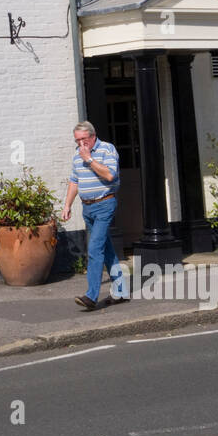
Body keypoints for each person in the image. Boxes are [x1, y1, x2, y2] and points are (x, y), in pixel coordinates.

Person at [62, 120, 129, 310]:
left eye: (84, 139)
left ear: (93, 136)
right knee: (106, 249)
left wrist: (89, 159)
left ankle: (91, 296)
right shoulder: (77, 155)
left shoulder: (107, 150)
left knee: (94, 249)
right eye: (77, 141)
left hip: (104, 204)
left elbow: (110, 176)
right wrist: (67, 205)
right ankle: (121, 290)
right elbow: (74, 181)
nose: (81, 144)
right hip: (87, 208)